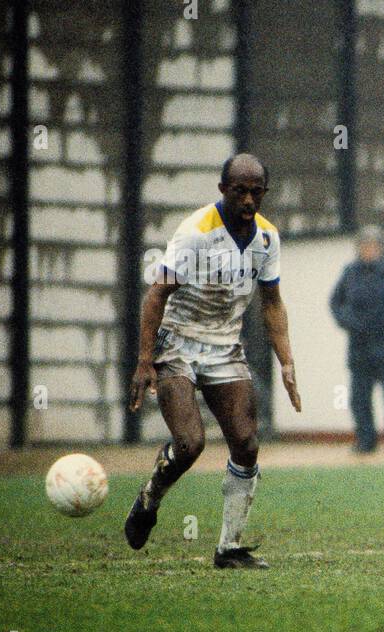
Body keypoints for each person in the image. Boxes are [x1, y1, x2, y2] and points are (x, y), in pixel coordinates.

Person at [124, 153, 301, 569]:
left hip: (224, 346)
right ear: (223, 190)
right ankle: (150, 498)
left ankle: (229, 548)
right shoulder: (195, 233)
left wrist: (287, 363)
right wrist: (144, 360)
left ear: (264, 193)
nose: (248, 200)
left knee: (247, 443)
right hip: (177, 343)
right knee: (190, 444)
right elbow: (156, 296)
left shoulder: (267, 238)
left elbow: (272, 303)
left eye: (256, 192)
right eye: (239, 190)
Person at [329, 226, 384, 453]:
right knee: (359, 397)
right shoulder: (350, 271)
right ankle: (366, 441)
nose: (368, 250)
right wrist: (347, 321)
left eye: (372, 246)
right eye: (363, 246)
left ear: (380, 248)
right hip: (359, 347)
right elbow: (335, 303)